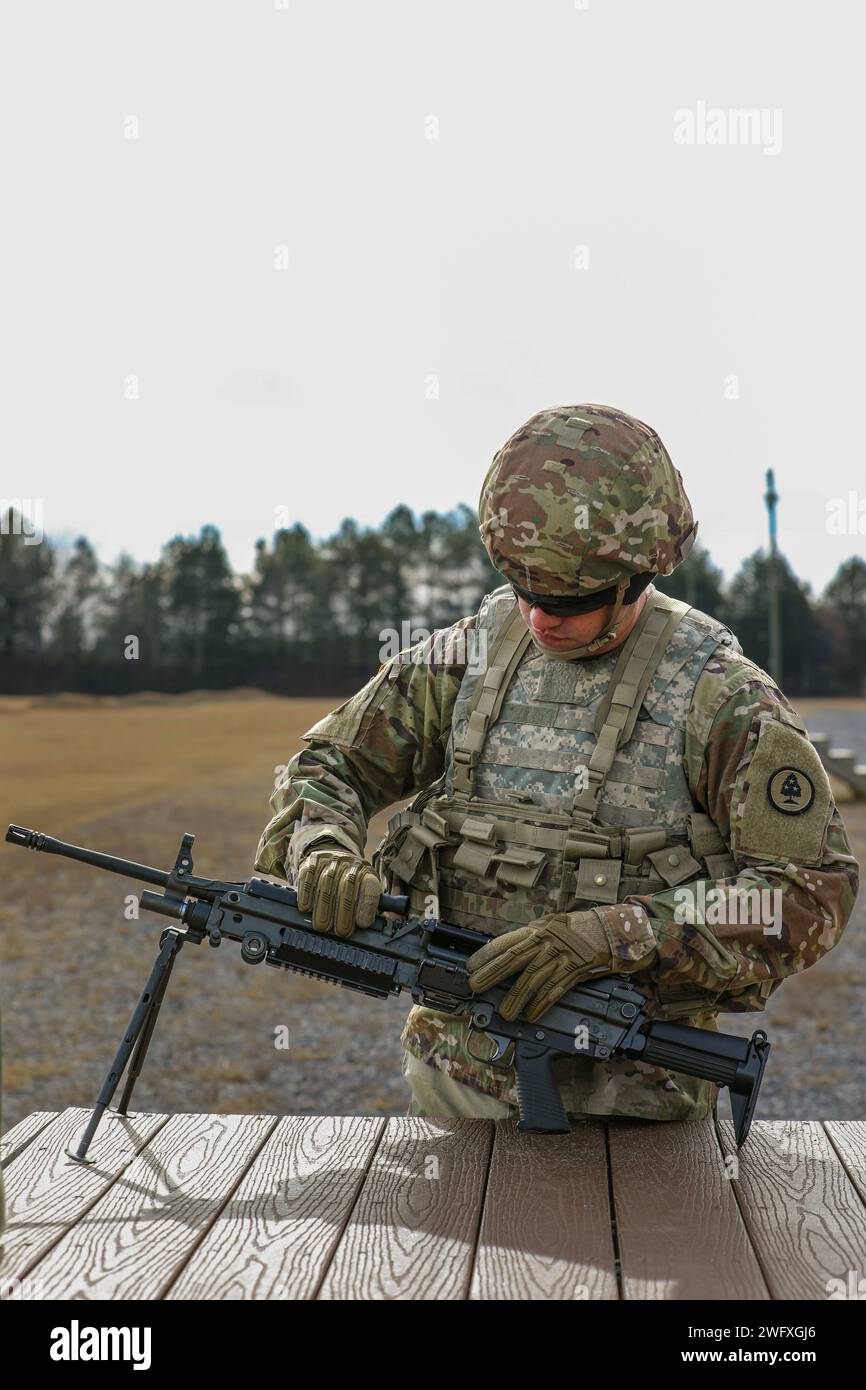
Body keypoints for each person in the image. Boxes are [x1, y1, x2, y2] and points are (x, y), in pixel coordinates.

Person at [255, 404, 859, 1125]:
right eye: (525, 591)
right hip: (459, 1079)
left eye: (570, 600)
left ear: (639, 574)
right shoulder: (471, 653)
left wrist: (617, 935)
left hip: (637, 1098)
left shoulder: (718, 695)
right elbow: (328, 765)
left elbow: (806, 894)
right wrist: (321, 847)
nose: (541, 619)